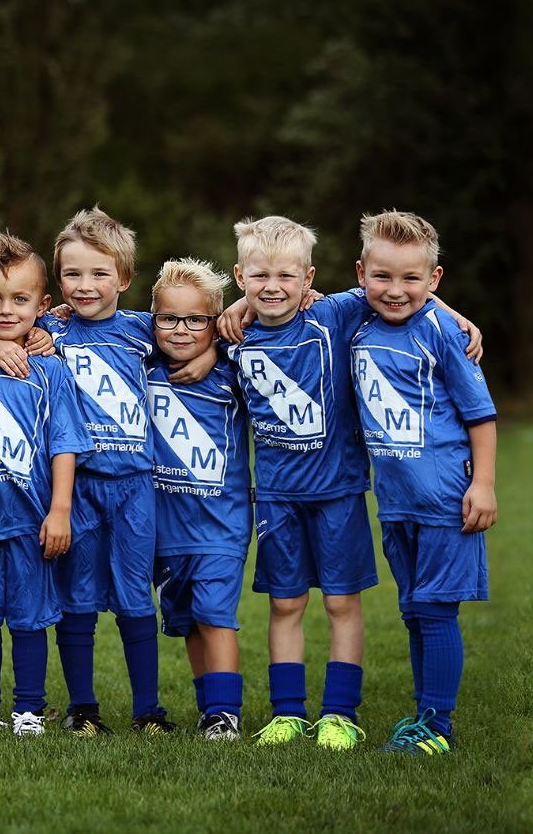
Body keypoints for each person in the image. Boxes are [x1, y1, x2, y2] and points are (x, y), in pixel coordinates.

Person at [218, 215, 481, 751]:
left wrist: (457, 316)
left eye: (287, 276)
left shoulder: (335, 315)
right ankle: (287, 713)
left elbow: (406, 290)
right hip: (274, 496)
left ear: (309, 279)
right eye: (259, 276)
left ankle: (340, 712)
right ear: (239, 275)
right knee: (285, 605)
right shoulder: (233, 336)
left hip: (338, 491)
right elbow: (163, 331)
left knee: (342, 604)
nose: (273, 287)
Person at [39, 208, 207, 735]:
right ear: (57, 278)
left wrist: (209, 356)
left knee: (136, 597)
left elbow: (208, 326)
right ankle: (82, 709)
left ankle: (148, 710)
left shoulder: (142, 331)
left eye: (98, 273)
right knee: (78, 598)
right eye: (72, 274)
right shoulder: (48, 331)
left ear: (125, 279)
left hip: (137, 488)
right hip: (76, 487)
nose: (84, 285)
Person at [349, 210, 496, 755]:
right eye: (382, 277)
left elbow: (480, 415)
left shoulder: (442, 332)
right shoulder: (357, 321)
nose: (394, 290)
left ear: (433, 281)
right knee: (413, 609)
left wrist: (483, 484)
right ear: (361, 273)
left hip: (444, 498)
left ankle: (437, 728)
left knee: (435, 610)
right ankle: (425, 715)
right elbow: (296, 299)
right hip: (396, 501)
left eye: (411, 279)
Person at [0, 233, 91, 736]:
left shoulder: (50, 368)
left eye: (20, 299)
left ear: (42, 305)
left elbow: (64, 443)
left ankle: (29, 708)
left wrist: (60, 509)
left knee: (30, 617)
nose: (5, 310)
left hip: (32, 517)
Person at [145, 258, 250, 741]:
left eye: (197, 320)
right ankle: (209, 707)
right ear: (153, 319)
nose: (181, 330)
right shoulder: (141, 364)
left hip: (220, 522)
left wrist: (221, 348)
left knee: (214, 613)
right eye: (169, 318)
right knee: (187, 619)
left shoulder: (233, 369)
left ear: (216, 321)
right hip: (164, 528)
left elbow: (270, 320)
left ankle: (226, 714)